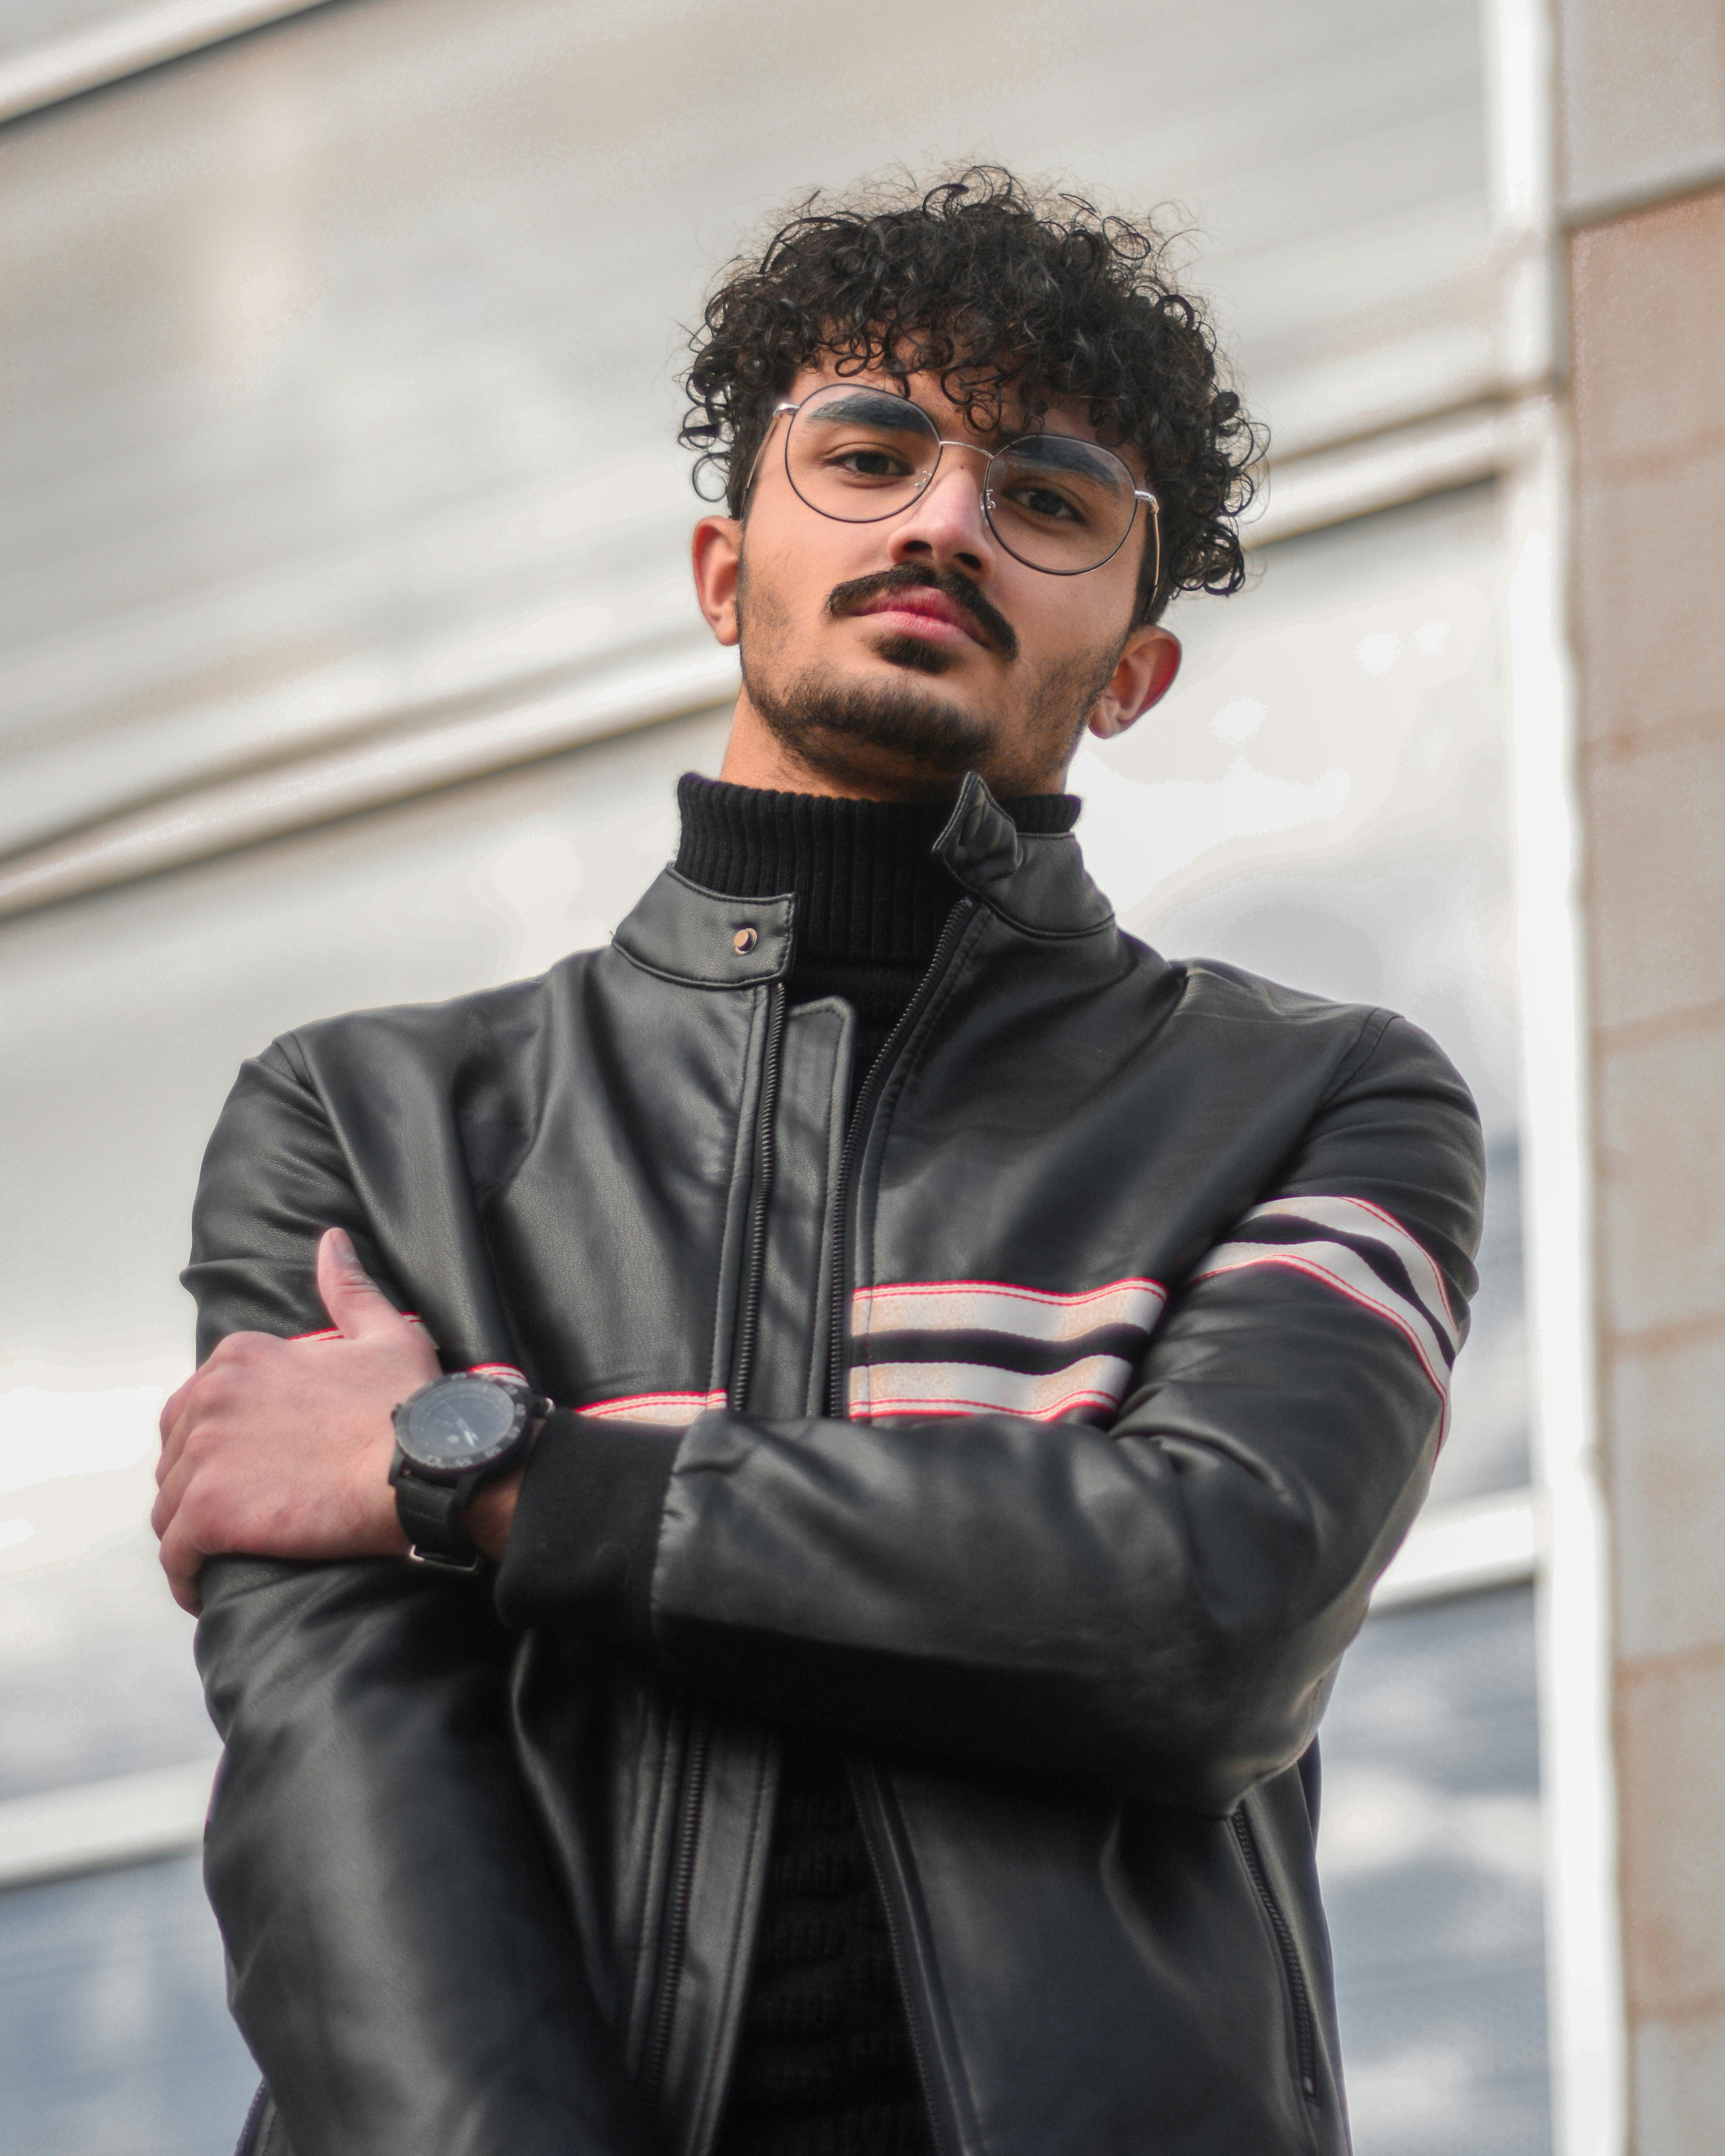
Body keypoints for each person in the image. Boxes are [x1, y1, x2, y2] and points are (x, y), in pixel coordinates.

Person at [153, 168, 1483, 2156]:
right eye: (869, 453)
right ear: (723, 568)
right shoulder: (365, 1126)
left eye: (1043, 499)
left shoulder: (1312, 1099)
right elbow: (352, 1813)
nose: (945, 517)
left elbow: (1201, 1612)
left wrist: (489, 1478)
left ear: (1129, 671)